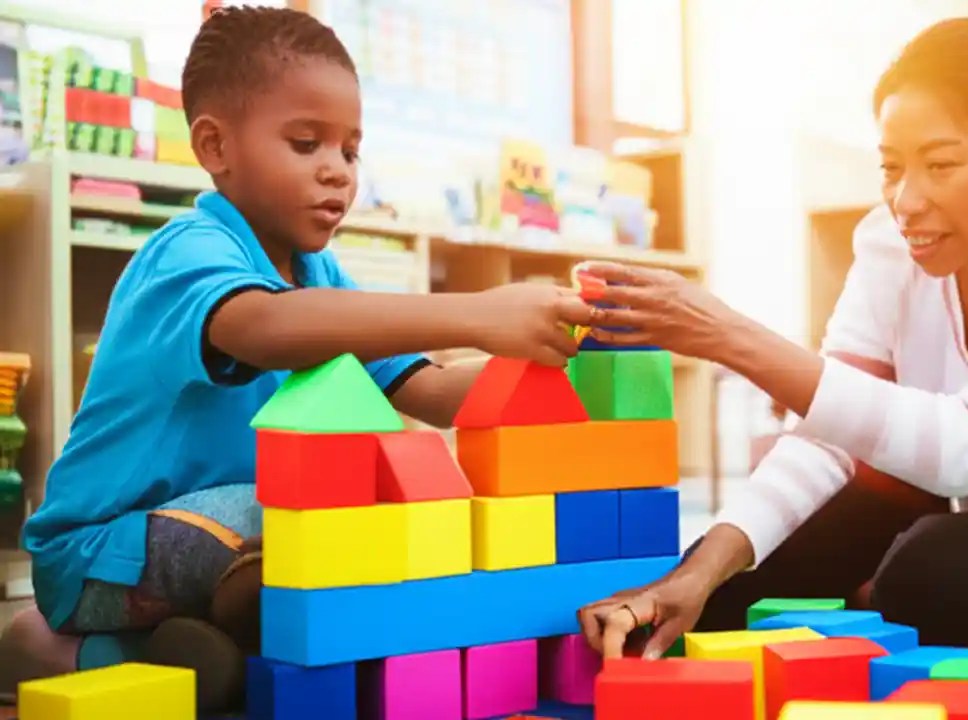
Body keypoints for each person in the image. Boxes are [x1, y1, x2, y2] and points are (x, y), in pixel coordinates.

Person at [0, 6, 593, 710]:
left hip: (229, 548)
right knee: (314, 510)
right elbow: (263, 326)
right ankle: (63, 637)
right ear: (217, 147)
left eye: (349, 151)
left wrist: (566, 359)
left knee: (350, 528)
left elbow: (431, 388)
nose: (337, 173)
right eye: (307, 143)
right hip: (101, 555)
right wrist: (479, 312)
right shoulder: (188, 252)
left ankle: (113, 658)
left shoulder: (322, 276)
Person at [576, 16, 968, 661]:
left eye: (941, 164)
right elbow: (828, 434)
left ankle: (875, 605)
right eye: (892, 167)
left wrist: (728, 335)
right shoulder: (889, 246)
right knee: (732, 582)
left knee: (928, 571)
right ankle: (842, 598)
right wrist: (700, 573)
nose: (907, 200)